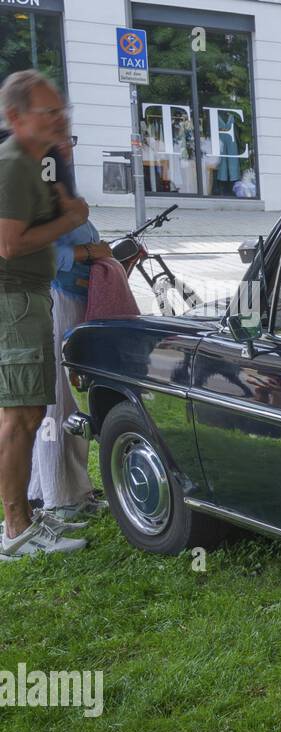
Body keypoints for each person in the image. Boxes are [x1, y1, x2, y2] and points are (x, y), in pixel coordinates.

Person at [0, 70, 89, 559]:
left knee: (30, 410)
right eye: (48, 111)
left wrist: (64, 202)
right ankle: (15, 531)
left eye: (61, 109)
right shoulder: (13, 164)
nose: (60, 117)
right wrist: (70, 221)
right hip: (14, 298)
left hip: (28, 296)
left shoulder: (38, 163)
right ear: (16, 117)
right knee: (20, 415)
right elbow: (9, 245)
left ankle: (24, 522)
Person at [28, 132, 111, 523]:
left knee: (64, 398)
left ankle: (56, 490)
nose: (70, 146)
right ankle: (61, 497)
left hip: (72, 294)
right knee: (60, 400)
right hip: (59, 297)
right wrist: (92, 252)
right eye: (61, 137)